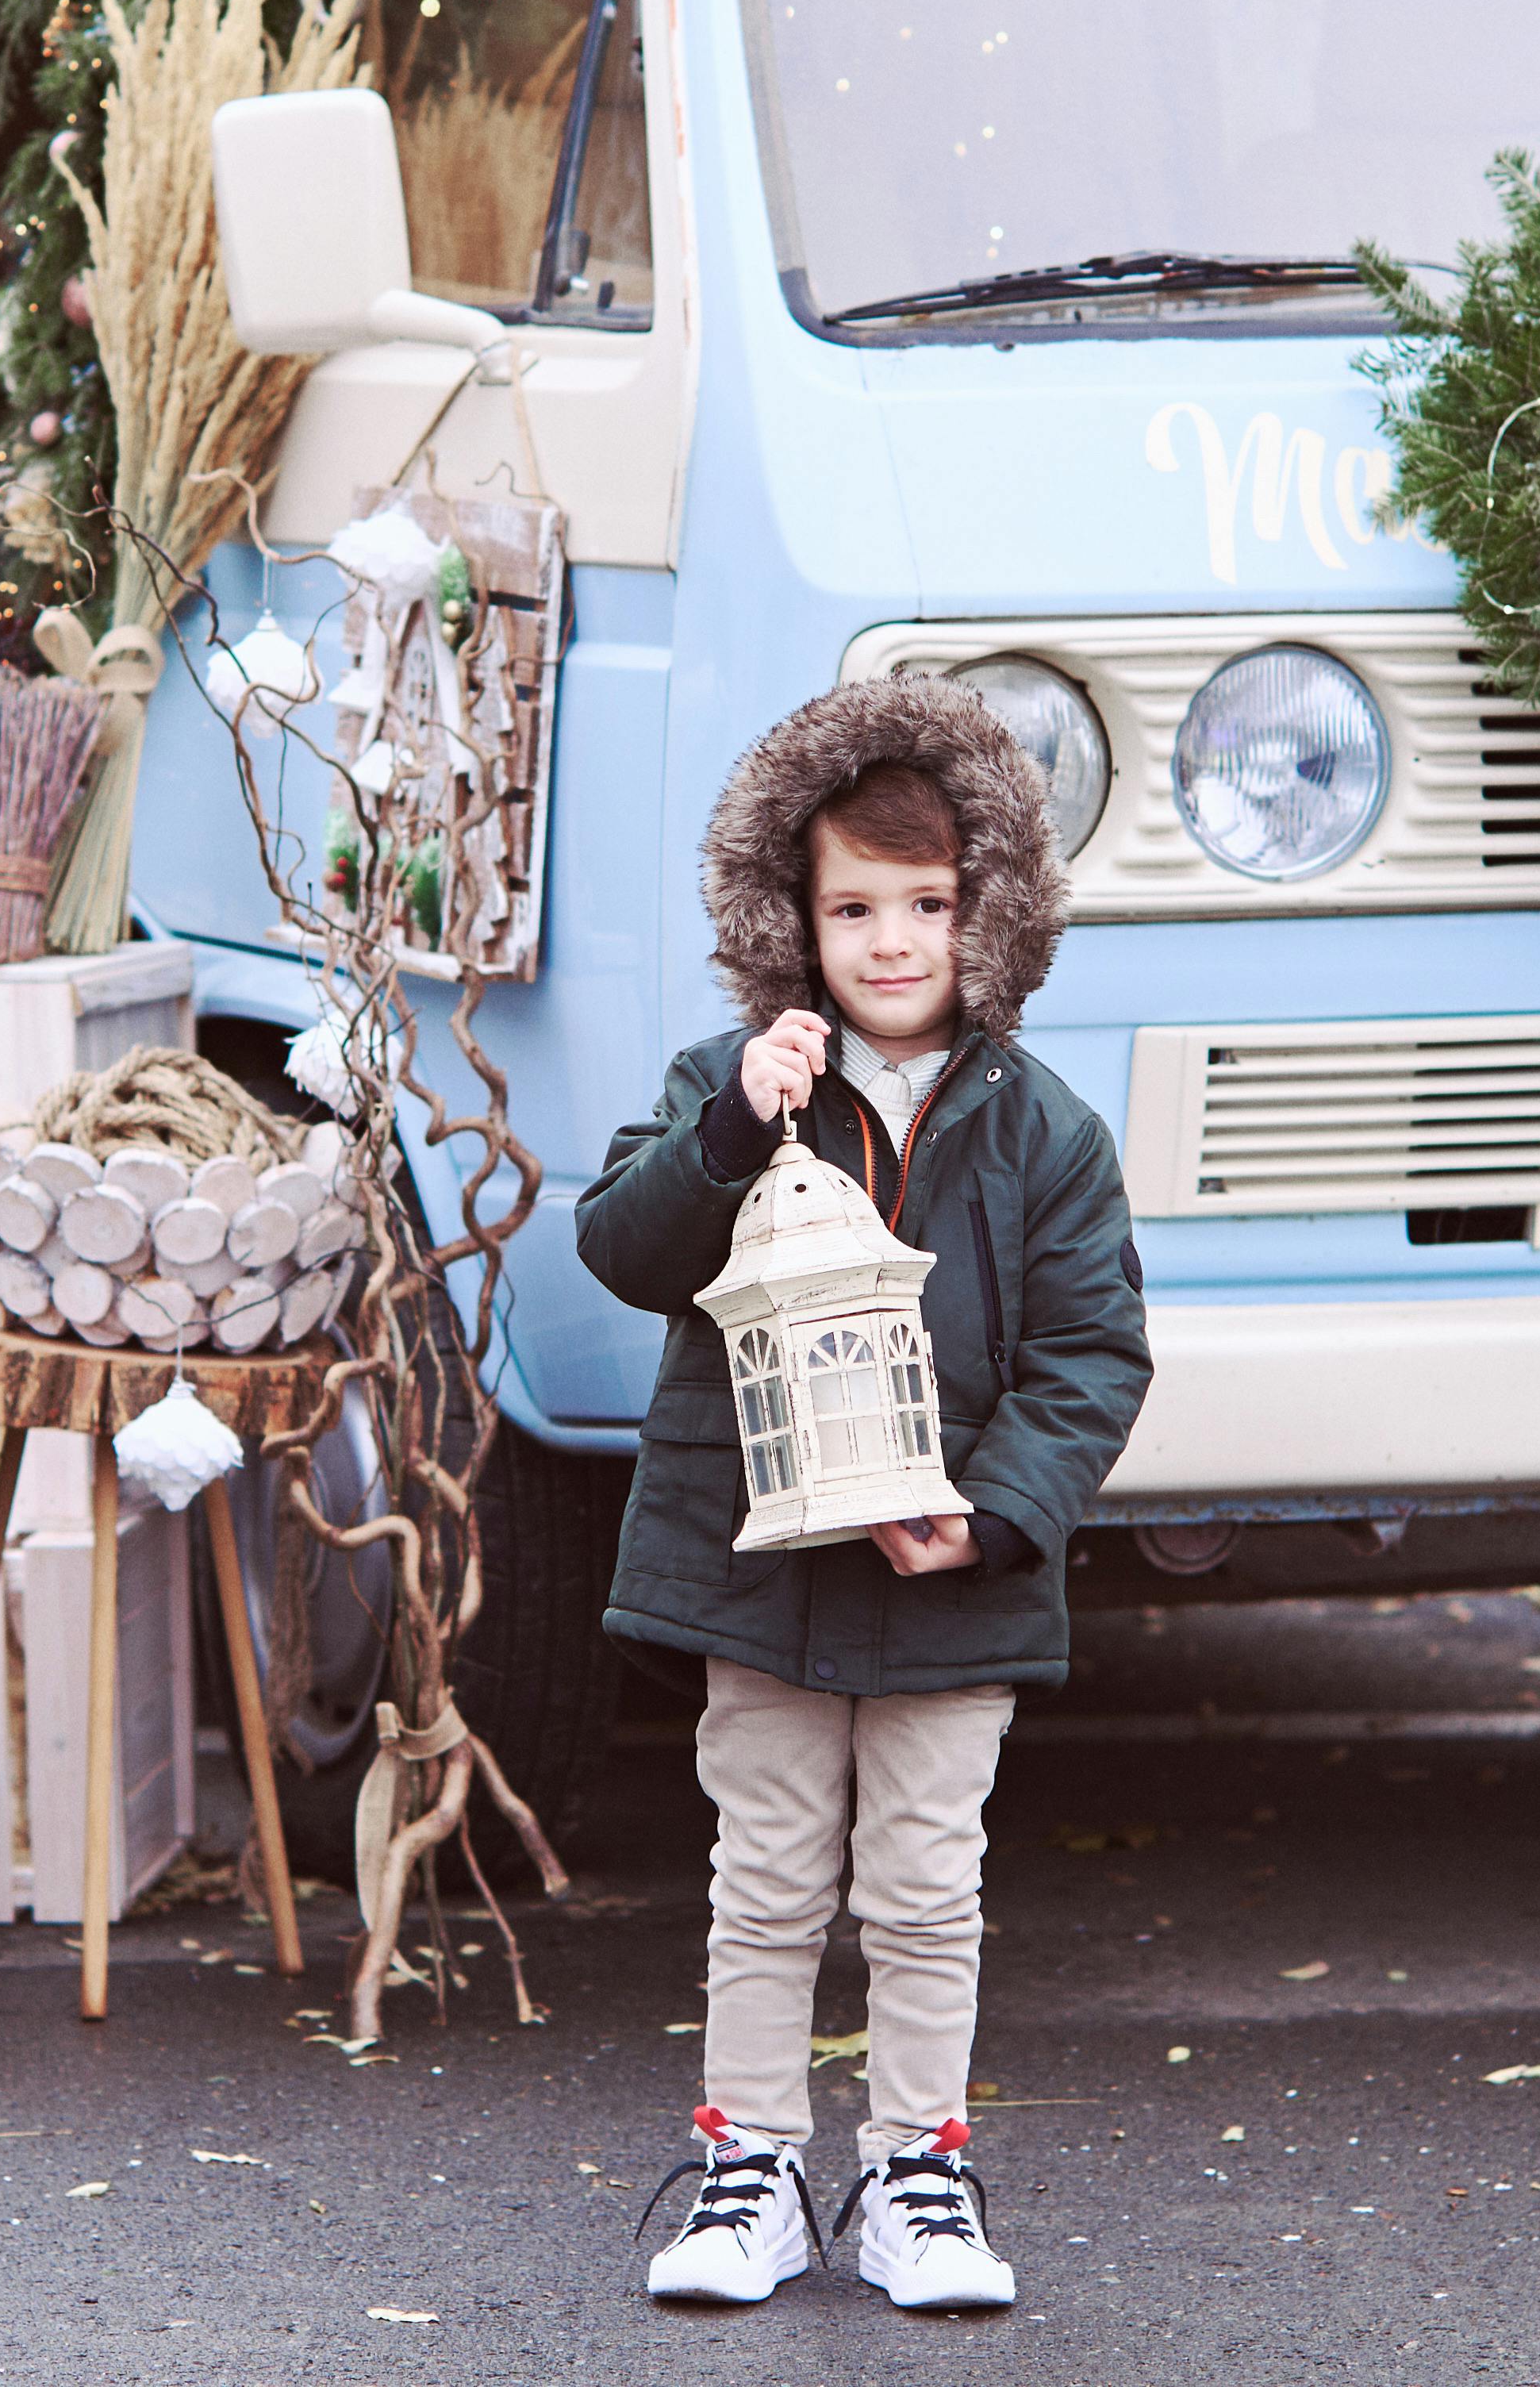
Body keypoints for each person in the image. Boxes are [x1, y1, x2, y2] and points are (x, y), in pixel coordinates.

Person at [575, 677, 1154, 2314]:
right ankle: (750, 2160)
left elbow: (1093, 1357)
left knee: (921, 1885)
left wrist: (999, 1509)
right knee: (763, 1877)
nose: (892, 942)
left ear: (993, 916)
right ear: (789, 917)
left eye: (927, 905)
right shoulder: (732, 1079)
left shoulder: (1045, 1130)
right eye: (852, 908)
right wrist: (729, 1132)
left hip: (950, 1579)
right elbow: (620, 1252)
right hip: (756, 1574)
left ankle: (918, 2171)